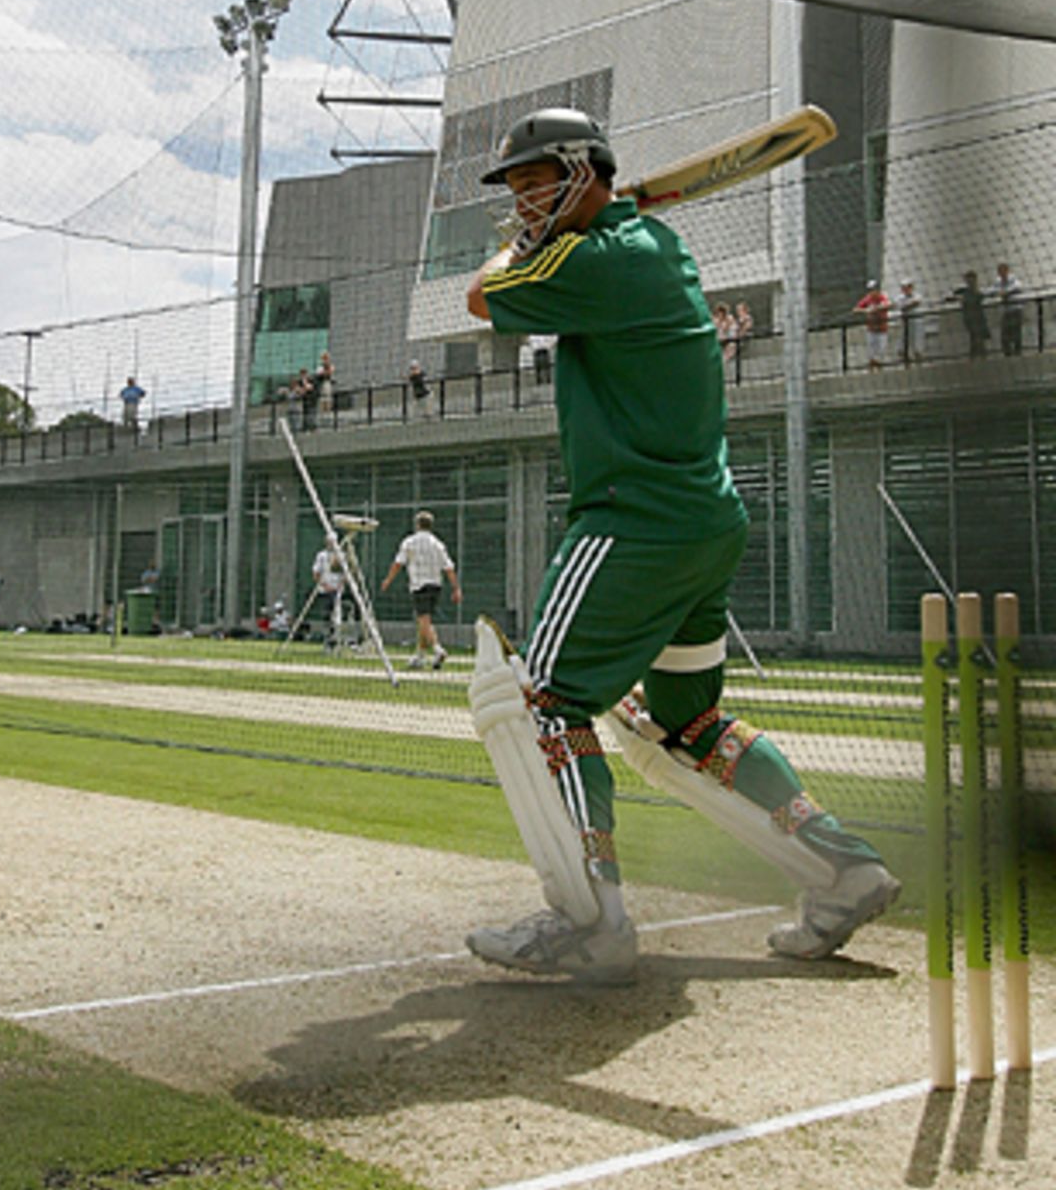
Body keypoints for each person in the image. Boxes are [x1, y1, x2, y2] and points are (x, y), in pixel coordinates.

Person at [464, 106, 898, 984]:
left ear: (586, 170)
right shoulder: (645, 250)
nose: (522, 204)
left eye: (534, 181)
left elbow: (480, 297)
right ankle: (845, 867)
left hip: (633, 520)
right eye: (514, 188)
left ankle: (589, 920)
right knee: (687, 721)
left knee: (541, 698)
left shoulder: (601, 260)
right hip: (703, 521)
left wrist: (524, 245)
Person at [381, 512, 461, 670]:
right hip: (436, 584)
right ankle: (420, 655)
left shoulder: (410, 542)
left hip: (419, 584)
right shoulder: (438, 544)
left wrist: (388, 580)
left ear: (417, 525)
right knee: (424, 620)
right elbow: (449, 568)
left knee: (424, 620)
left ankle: (438, 649)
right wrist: (456, 588)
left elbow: (398, 563)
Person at [312, 540, 345, 646]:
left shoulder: (341, 555)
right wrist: (325, 586)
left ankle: (338, 637)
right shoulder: (321, 556)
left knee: (339, 614)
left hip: (338, 590)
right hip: (326, 590)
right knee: (327, 614)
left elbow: (346, 573)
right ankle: (329, 637)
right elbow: (316, 573)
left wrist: (340, 585)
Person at [852, 280, 891, 370]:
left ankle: (879, 363)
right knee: (871, 348)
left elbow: (887, 305)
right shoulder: (868, 299)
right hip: (871, 328)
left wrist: (877, 308)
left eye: (874, 290)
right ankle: (872, 363)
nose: (872, 292)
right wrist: (866, 310)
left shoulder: (882, 298)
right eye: (870, 290)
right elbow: (855, 309)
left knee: (882, 348)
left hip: (882, 328)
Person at [955, 270, 990, 359]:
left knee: (978, 339)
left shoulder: (978, 292)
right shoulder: (963, 292)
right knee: (974, 338)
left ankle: (979, 357)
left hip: (978, 318)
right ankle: (976, 357)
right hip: (969, 318)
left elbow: (979, 298)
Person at [994, 262, 1024, 356]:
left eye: (1003, 271)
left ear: (1007, 271)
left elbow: (1017, 287)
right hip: (1006, 311)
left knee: (1016, 332)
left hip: (1016, 310)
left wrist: (1005, 292)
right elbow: (994, 290)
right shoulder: (998, 281)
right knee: (1004, 334)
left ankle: (1017, 352)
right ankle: (1007, 353)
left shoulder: (1014, 279)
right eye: (999, 272)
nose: (1001, 274)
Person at [896, 278, 922, 366]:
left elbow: (916, 302)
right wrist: (908, 305)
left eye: (908, 287)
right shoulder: (900, 297)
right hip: (905, 320)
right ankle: (905, 355)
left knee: (917, 336)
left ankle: (917, 353)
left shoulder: (917, 295)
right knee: (904, 337)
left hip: (916, 320)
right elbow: (902, 306)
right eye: (904, 287)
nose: (906, 289)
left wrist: (907, 305)